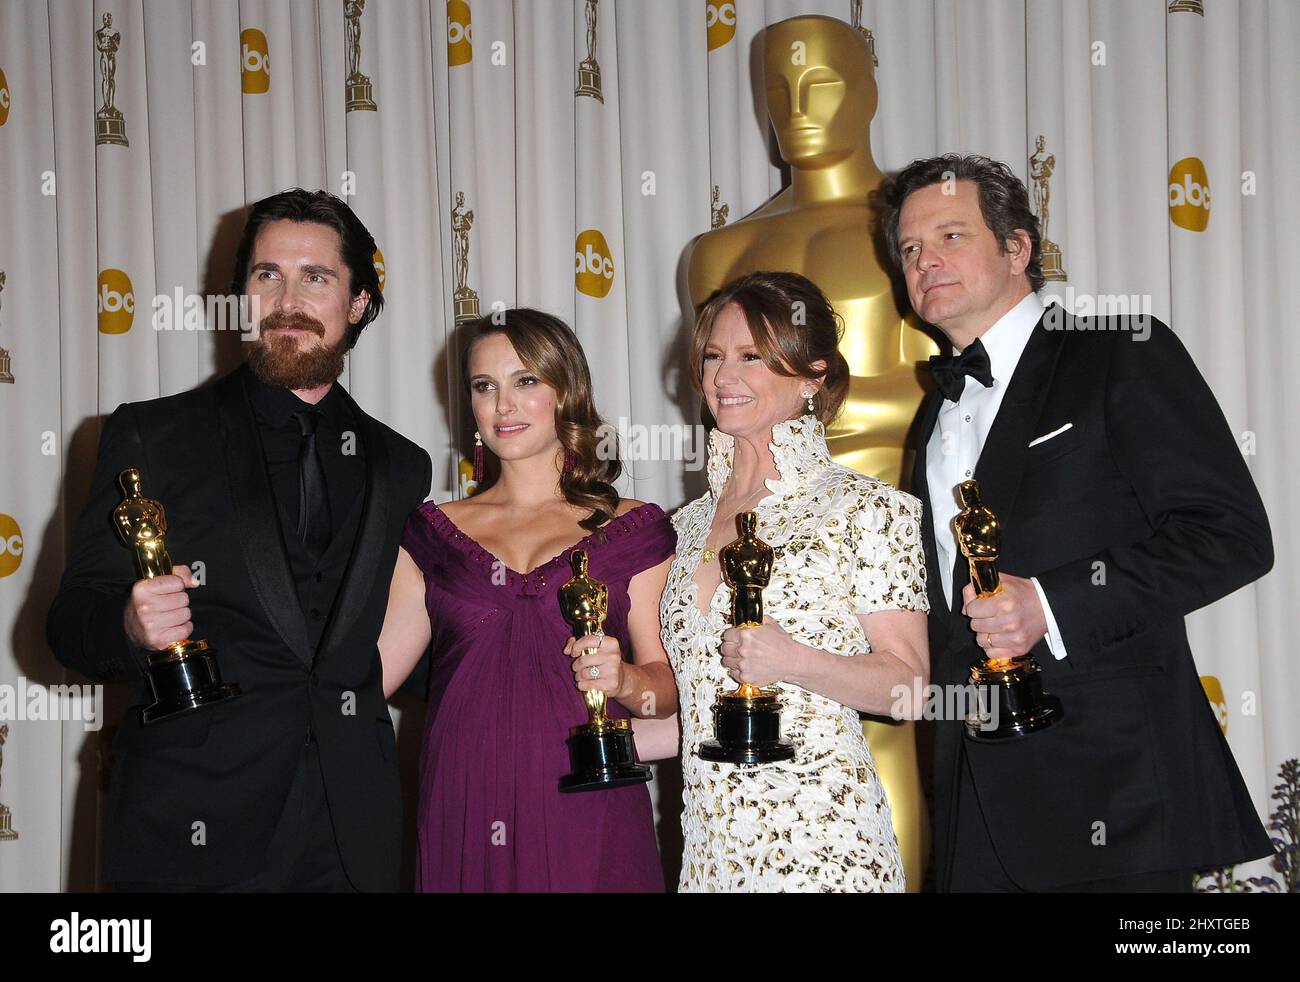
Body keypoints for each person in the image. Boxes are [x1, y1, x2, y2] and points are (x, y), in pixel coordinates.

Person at [883, 153, 1275, 892]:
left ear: (1018, 248)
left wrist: (1051, 604)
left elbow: (1230, 536)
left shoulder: (1119, 352)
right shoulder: (934, 414)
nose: (925, 260)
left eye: (951, 235)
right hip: (975, 805)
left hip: (1115, 795)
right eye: (909, 248)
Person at [46, 188, 432, 891]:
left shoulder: (401, 465)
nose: (288, 300)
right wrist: (129, 622)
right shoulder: (151, 436)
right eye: (266, 275)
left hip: (350, 837)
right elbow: (69, 627)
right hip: (189, 829)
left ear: (359, 304)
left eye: (315, 277)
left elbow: (414, 635)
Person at [644, 271, 930, 892]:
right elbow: (698, 716)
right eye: (714, 356)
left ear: (812, 376)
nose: (724, 376)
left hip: (826, 848)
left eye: (751, 356)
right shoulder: (685, 527)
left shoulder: (869, 509)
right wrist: (588, 742)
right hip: (712, 853)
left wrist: (792, 659)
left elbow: (909, 690)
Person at [378, 308, 677, 892]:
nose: (503, 405)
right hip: (463, 801)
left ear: (567, 391)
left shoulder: (635, 531)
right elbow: (371, 676)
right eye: (484, 387)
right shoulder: (433, 532)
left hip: (589, 797)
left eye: (526, 381)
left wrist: (622, 682)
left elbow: (663, 693)